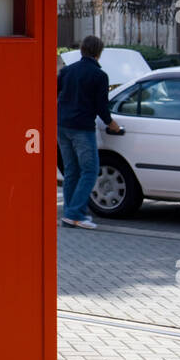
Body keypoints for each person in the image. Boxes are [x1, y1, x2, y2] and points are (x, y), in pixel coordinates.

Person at [56, 35, 124, 229]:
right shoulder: (99, 76)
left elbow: (54, 93)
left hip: (62, 126)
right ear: (98, 53)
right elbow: (101, 107)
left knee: (71, 171)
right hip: (82, 128)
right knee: (90, 170)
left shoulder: (67, 71)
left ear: (82, 50)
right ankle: (75, 213)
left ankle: (70, 214)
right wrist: (112, 125)